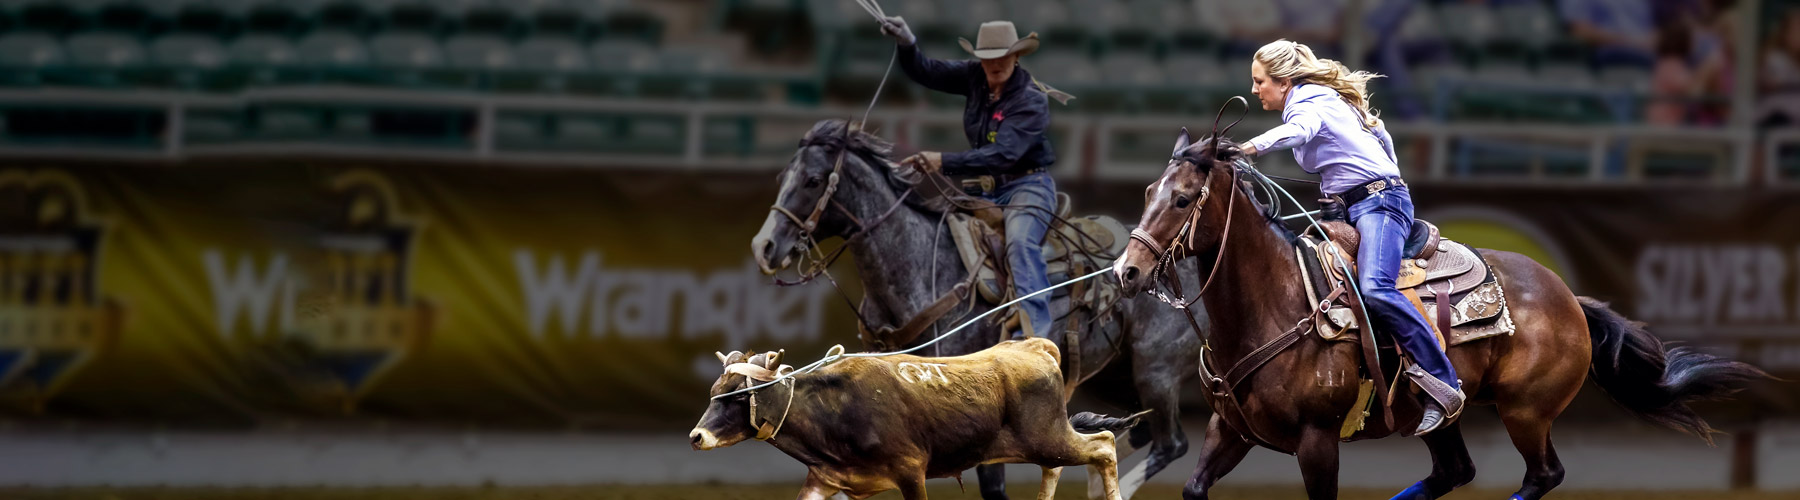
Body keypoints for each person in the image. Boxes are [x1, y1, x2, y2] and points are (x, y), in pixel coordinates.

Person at [1232, 39, 1463, 435]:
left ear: (1284, 81)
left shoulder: (1308, 101)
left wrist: (1248, 148)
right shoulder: (1324, 99)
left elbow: (1299, 131)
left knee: (1375, 288)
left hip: (1380, 204)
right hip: (1363, 202)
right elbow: (1383, 139)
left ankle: (1444, 383)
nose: (1255, 90)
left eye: (1260, 81)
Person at [878, 18, 1064, 340]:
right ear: (980, 59)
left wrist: (942, 161)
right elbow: (926, 71)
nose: (994, 64)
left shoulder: (1031, 99)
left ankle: (1035, 338)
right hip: (987, 189)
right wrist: (908, 43)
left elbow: (1004, 155)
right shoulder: (974, 76)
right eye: (988, 57)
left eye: (1001, 56)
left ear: (1016, 57)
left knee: (1020, 243)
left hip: (1028, 186)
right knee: (937, 234)